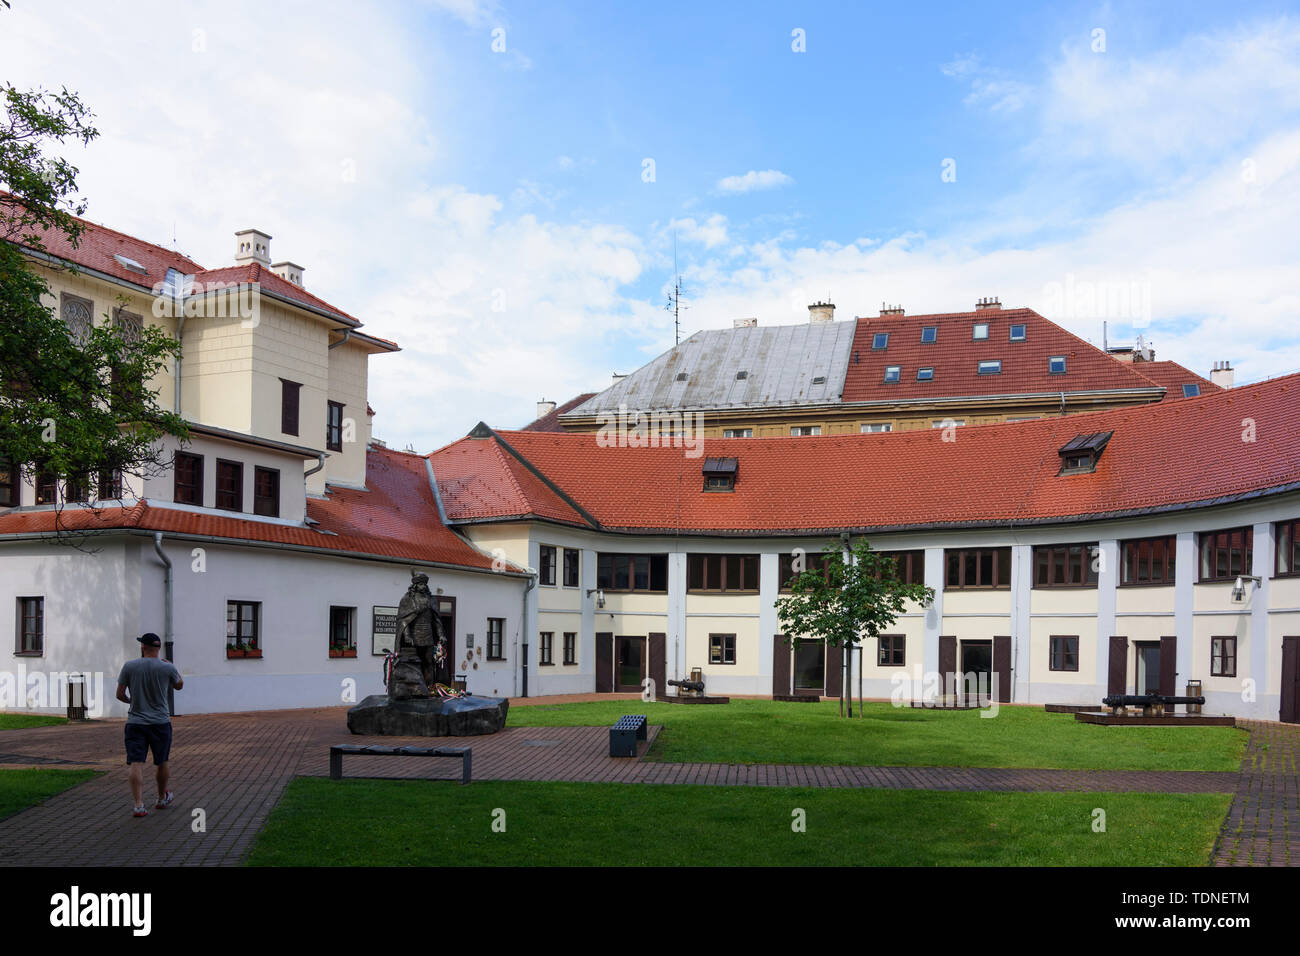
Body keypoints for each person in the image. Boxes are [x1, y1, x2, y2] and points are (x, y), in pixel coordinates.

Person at [115, 633, 183, 818]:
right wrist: (173, 668)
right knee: (162, 761)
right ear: (158, 648)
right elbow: (179, 685)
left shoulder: (129, 666)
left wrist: (133, 702)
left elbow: (119, 694)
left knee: (136, 762)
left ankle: (138, 805)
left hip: (136, 722)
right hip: (160, 722)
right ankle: (161, 798)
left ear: (143, 647)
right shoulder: (166, 667)